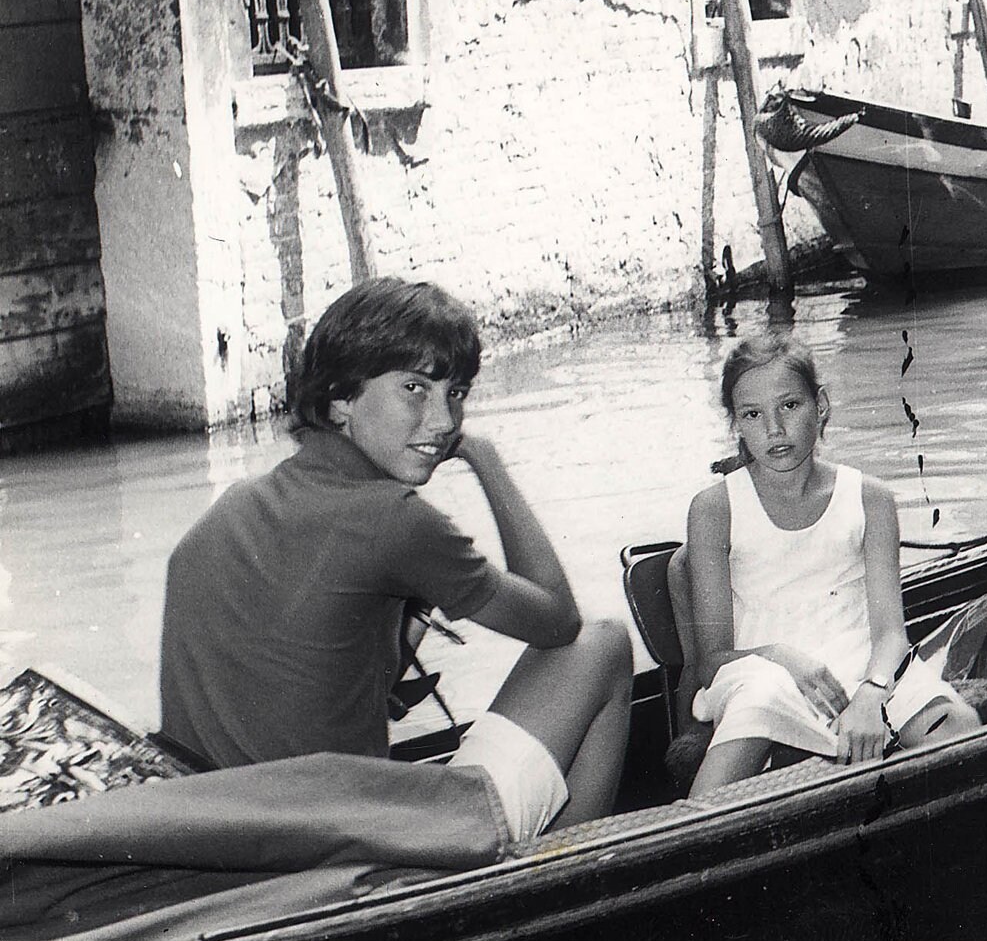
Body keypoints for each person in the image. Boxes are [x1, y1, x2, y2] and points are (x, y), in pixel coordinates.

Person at [157, 278, 633, 839]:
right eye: (414, 388)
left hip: (238, 837)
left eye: (456, 393)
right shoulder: (394, 518)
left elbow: (309, 685)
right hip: (348, 845)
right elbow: (558, 621)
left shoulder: (231, 508)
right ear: (341, 401)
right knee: (604, 644)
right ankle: (576, 871)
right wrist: (486, 460)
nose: (444, 421)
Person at [674, 332, 978, 799]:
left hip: (861, 667)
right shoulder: (715, 509)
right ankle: (692, 830)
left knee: (960, 724)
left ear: (821, 406)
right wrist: (783, 658)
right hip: (762, 674)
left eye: (790, 406)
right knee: (760, 697)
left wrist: (872, 695)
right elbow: (710, 660)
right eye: (753, 415)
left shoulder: (870, 498)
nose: (774, 429)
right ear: (736, 423)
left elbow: (890, 634)